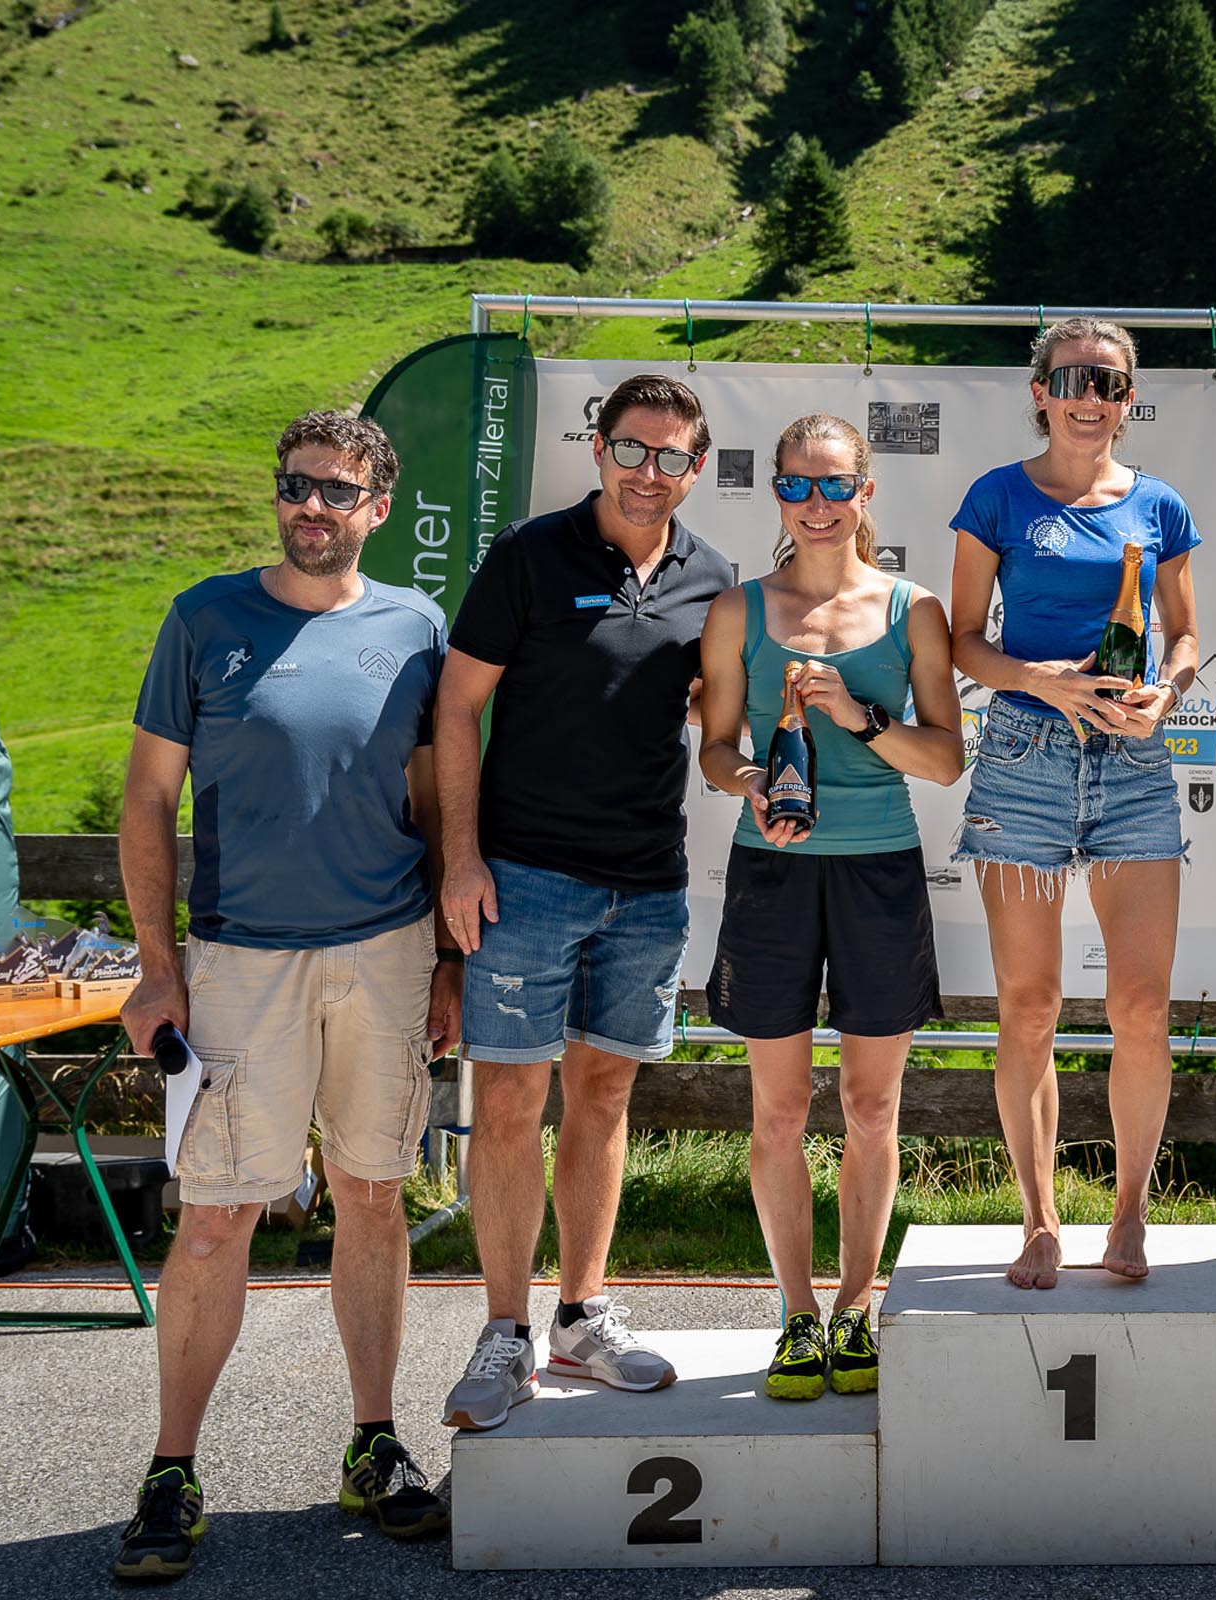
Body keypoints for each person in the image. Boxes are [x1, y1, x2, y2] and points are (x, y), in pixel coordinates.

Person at [113, 411, 457, 1580]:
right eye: (296, 486)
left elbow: (433, 793)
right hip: (237, 962)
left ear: (377, 507)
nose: (312, 506)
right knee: (215, 1217)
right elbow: (149, 800)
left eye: (336, 491)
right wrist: (157, 967)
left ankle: (372, 1439)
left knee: (371, 1195)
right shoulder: (205, 620)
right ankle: (171, 1467)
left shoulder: (416, 627)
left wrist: (451, 963)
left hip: (388, 952)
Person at [435, 373, 735, 1430]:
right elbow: (456, 709)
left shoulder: (716, 579)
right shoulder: (526, 554)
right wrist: (462, 860)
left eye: (672, 457)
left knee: (603, 1101)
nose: (649, 473)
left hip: (649, 883)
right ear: (598, 448)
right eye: (632, 450)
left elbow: (717, 743)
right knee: (511, 1105)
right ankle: (503, 1331)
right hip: (524, 877)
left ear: (696, 469)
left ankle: (581, 1314)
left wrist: (760, 753)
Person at [697, 415, 963, 1398]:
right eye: (796, 488)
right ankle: (795, 1314)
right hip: (772, 870)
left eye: (833, 486)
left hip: (878, 867)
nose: (816, 506)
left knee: (868, 1104)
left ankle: (856, 1306)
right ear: (775, 496)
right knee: (776, 1109)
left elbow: (944, 759)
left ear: (866, 493)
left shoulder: (912, 609)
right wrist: (749, 781)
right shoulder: (737, 610)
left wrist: (861, 718)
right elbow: (714, 750)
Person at [948, 316, 1201, 1288]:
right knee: (1030, 1005)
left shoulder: (1160, 506)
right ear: (1042, 391)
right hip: (1023, 754)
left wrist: (1166, 697)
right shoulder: (997, 497)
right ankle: (1041, 1219)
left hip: (1133, 762)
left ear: (1127, 399)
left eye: (1110, 381)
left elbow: (1184, 636)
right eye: (1073, 378)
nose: (1091, 396)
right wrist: (1039, 680)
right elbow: (962, 640)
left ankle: (1129, 1215)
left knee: (1139, 1007)